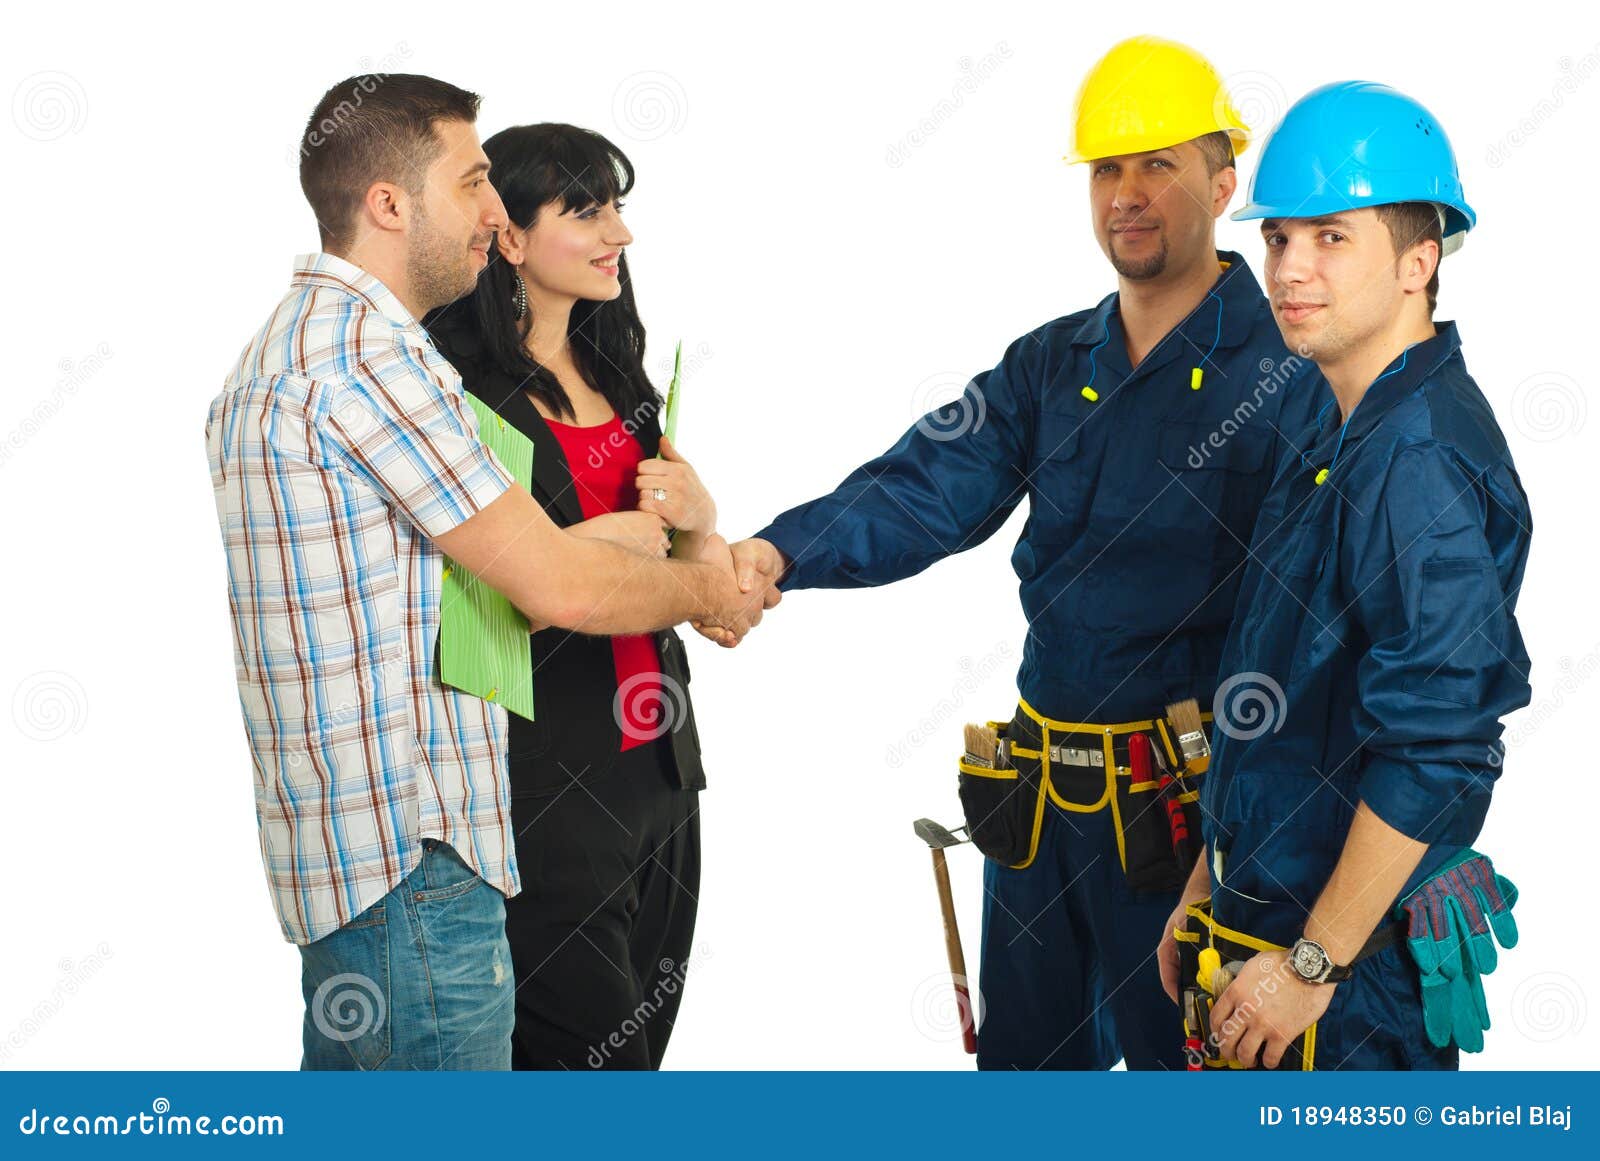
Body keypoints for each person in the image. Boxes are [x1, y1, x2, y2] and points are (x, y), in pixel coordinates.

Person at [722, 38, 1322, 1070]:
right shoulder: (1052, 362)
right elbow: (923, 490)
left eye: (1156, 166)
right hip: (1040, 815)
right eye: (1106, 170)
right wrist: (774, 554)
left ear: (1224, 182)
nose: (1125, 196)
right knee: (1026, 1084)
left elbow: (1310, 625)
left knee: (1187, 1084)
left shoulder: (1285, 371)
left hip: (1184, 821)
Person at [204, 75, 767, 1071]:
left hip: (576, 796)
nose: (494, 212)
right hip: (453, 836)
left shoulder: (317, 354)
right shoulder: (385, 368)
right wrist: (697, 580)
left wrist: (688, 533)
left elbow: (473, 574)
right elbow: (537, 585)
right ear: (389, 203)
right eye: (475, 184)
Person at [1156, 81, 1531, 1070]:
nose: (1288, 267)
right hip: (1263, 934)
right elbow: (1291, 696)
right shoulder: (1336, 428)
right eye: (1278, 238)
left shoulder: (1418, 458)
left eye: (1330, 238)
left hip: (1344, 992)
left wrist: (1313, 965)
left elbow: (1439, 744)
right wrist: (1209, 880)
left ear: (1418, 261)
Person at [425, 123, 718, 1070]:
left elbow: (683, 569)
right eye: (586, 210)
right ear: (509, 237)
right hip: (548, 784)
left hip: (663, 775)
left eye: (618, 208)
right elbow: (477, 583)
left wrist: (704, 520)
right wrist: (593, 546)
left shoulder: (621, 375)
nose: (618, 234)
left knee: (643, 1051)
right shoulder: (453, 392)